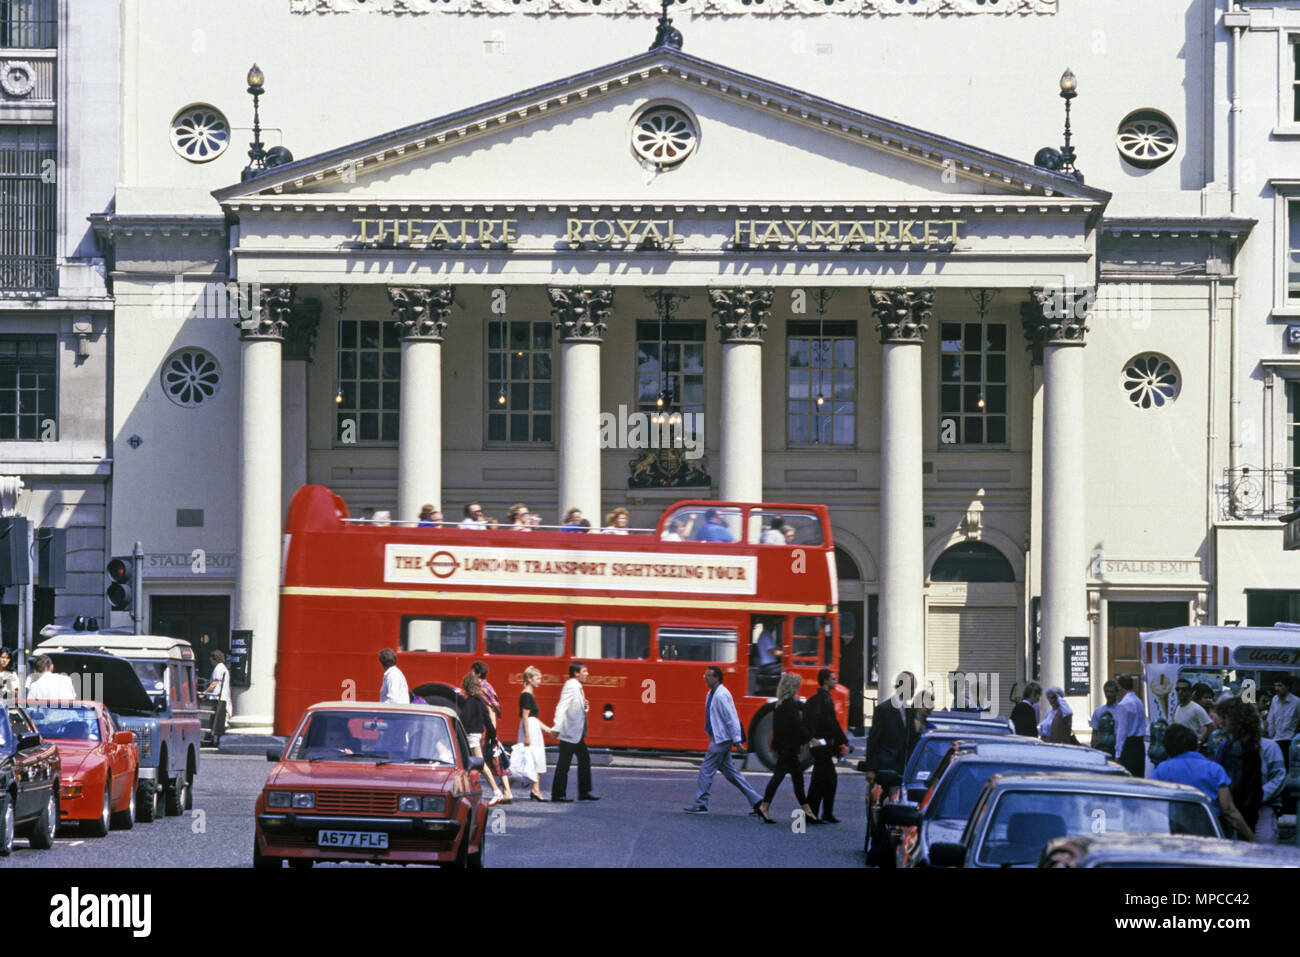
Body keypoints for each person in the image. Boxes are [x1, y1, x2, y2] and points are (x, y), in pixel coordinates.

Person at [1152, 723, 1255, 842]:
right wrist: (1252, 838)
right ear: (1196, 745)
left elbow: (1155, 805)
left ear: (1167, 748)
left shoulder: (1162, 770)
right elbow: (1228, 810)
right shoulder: (1214, 769)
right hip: (1211, 832)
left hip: (1175, 832)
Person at [684, 665, 764, 816]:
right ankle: (757, 801)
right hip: (718, 737)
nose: (705, 678)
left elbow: (731, 719)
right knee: (731, 773)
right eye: (705, 675)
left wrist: (737, 741)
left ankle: (701, 804)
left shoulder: (721, 695)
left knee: (706, 770)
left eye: (708, 675)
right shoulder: (711, 693)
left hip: (722, 740)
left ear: (716, 678)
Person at [756, 673, 820, 825]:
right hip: (788, 749)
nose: (799, 687)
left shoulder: (781, 704)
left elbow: (779, 729)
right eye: (797, 685)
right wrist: (811, 739)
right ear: (793, 687)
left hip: (786, 748)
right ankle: (764, 807)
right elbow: (798, 725)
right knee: (780, 778)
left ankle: (807, 811)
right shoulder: (789, 704)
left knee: (796, 780)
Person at [805, 667, 852, 823]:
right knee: (826, 780)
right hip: (821, 746)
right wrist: (844, 741)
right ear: (825, 680)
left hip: (820, 746)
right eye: (833, 679)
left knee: (823, 780)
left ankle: (820, 813)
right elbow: (831, 724)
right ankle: (817, 814)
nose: (835, 681)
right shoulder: (823, 700)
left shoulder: (822, 698)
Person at [1213, 698, 1264, 839]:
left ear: (1237, 720)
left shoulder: (1233, 747)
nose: (1220, 722)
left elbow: (1234, 788)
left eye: (1224, 718)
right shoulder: (1248, 745)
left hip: (1237, 816)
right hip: (1247, 813)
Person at [551, 662, 598, 802]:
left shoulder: (577, 686)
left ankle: (584, 792)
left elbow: (575, 707)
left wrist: (584, 706)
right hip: (569, 733)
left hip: (576, 734)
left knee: (584, 759)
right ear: (576, 673)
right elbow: (561, 706)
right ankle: (558, 794)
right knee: (564, 764)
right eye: (584, 671)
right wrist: (556, 727)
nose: (587, 673)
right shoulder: (571, 685)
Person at [864, 671, 916, 785]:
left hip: (904, 769)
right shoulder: (884, 709)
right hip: (887, 768)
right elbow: (873, 740)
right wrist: (870, 768)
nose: (913, 691)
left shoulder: (910, 710)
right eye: (912, 687)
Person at [471, 661, 513, 802]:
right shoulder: (488, 686)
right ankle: (506, 791)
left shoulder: (480, 688)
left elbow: (491, 710)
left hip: (483, 729)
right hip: (486, 728)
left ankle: (500, 791)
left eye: (472, 672)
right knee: (496, 758)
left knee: (479, 759)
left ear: (477, 673)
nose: (470, 674)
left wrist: (493, 732)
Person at [461, 673, 505, 806]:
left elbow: (464, 720)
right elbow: (489, 724)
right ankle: (470, 792)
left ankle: (497, 792)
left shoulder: (469, 702)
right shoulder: (481, 702)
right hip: (477, 735)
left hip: (471, 736)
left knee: (480, 764)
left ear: (467, 687)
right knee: (470, 764)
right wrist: (493, 738)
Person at [516, 666, 555, 801]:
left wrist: (547, 729)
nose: (540, 681)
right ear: (529, 679)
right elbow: (525, 716)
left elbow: (533, 717)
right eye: (537, 678)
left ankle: (535, 789)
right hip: (530, 730)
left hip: (532, 728)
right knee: (530, 758)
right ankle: (508, 788)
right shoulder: (526, 695)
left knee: (534, 759)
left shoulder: (529, 695)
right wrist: (527, 736)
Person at [1112, 675, 1147, 777]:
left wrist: (1118, 754)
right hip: (1139, 745)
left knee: (1128, 778)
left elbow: (1122, 731)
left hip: (1129, 746)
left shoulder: (1123, 704)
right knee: (1139, 777)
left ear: (1120, 687)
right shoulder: (1139, 701)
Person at [1265, 676, 1298, 768]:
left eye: (1280, 686)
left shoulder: (1296, 702)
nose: (1276, 689)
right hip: (1275, 739)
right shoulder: (1275, 700)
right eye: (1275, 686)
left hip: (1289, 740)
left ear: (1287, 687)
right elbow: (1270, 718)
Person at [1171, 677, 1212, 747]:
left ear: (1189, 691)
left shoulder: (1196, 708)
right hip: (1178, 747)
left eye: (1184, 689)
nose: (1180, 692)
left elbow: (1211, 727)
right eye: (1178, 689)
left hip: (1191, 748)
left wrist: (1200, 742)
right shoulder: (1178, 707)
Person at [205, 650, 233, 740]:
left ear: (215, 659)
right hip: (224, 697)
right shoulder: (223, 668)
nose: (210, 661)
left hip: (218, 697)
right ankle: (213, 737)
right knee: (219, 719)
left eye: (211, 659)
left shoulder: (218, 668)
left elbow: (214, 683)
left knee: (215, 718)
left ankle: (211, 737)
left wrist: (204, 693)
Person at [1089, 680, 1120, 757]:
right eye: (1107, 691)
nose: (1109, 694)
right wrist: (1093, 748)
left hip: (1116, 749)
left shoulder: (1122, 710)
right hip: (1101, 748)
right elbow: (1094, 732)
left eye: (1111, 692)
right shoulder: (1098, 711)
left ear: (1116, 693)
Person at [754, 617, 782, 694]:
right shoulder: (765, 635)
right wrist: (789, 654)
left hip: (770, 666)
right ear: (768, 624)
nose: (773, 626)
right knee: (788, 669)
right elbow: (774, 652)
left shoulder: (767, 635)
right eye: (772, 624)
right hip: (769, 667)